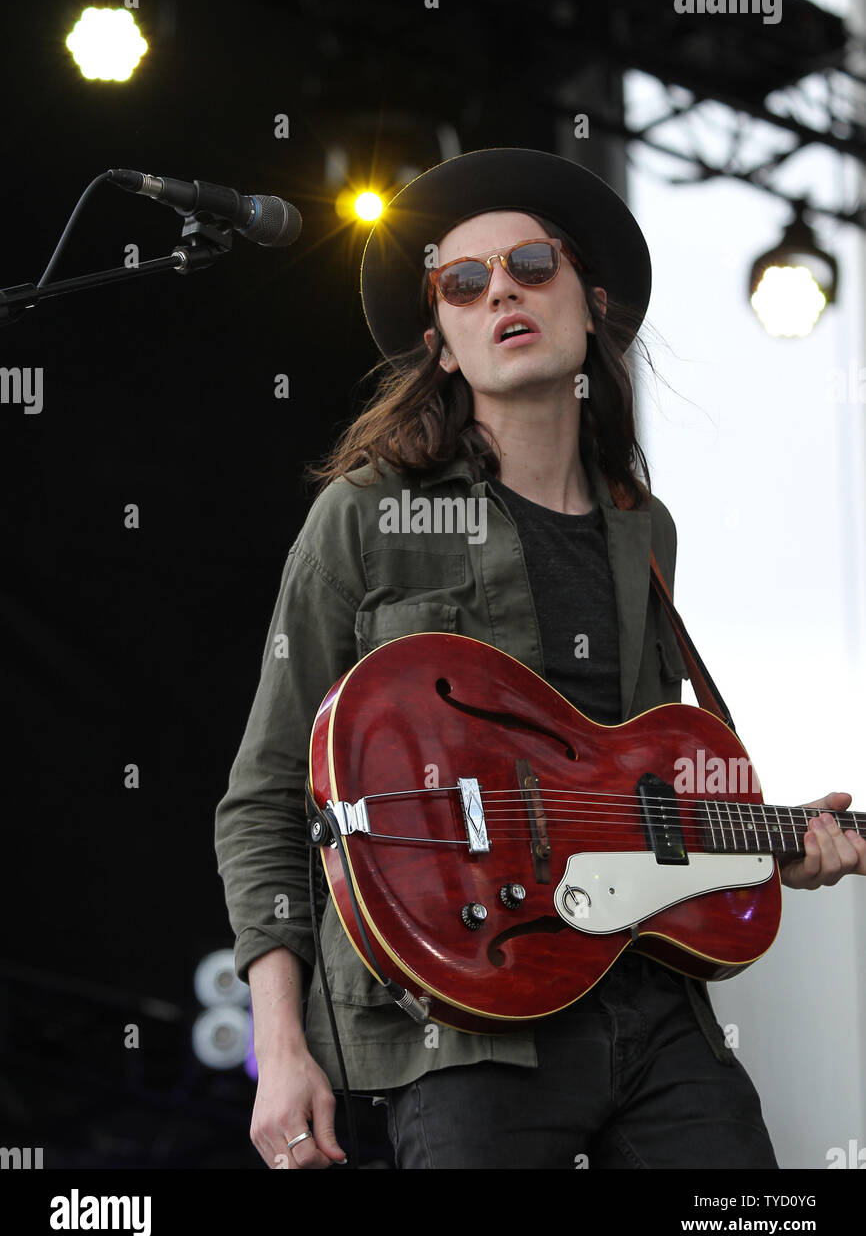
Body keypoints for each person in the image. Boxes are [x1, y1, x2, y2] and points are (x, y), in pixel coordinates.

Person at [214, 147, 866, 1171]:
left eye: (528, 263)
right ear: (440, 343)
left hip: (654, 1010)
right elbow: (262, 797)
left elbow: (637, 796)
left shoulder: (643, 532)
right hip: (465, 1021)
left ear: (588, 302)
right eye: (463, 284)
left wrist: (778, 843)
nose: (499, 292)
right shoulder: (364, 518)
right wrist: (280, 1046)